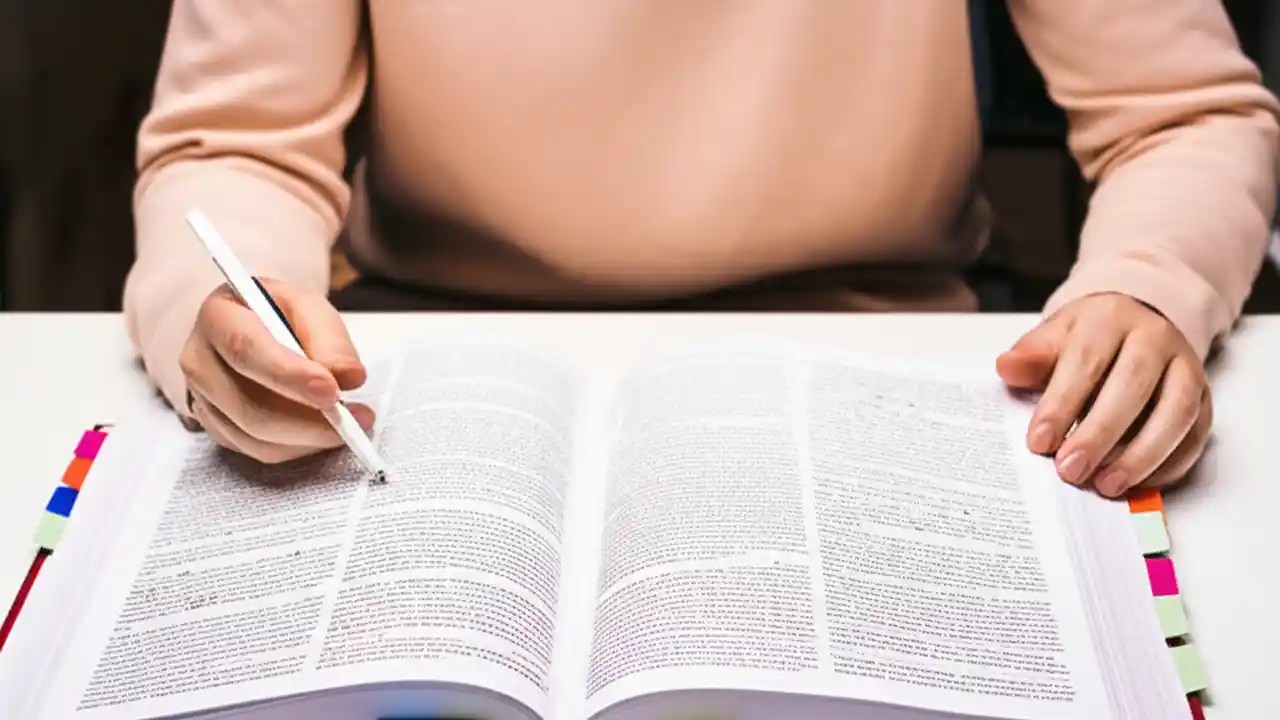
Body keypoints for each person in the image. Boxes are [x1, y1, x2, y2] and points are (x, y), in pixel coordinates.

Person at [125, 1, 1279, 498]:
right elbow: (235, 146)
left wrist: (1146, 283)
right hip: (423, 382)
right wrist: (230, 300)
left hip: (898, 371)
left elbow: (1180, 112)